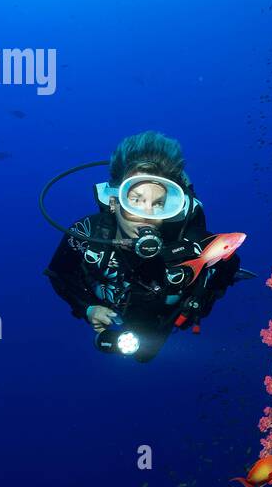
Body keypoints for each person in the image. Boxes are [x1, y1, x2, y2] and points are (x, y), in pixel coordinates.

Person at [43, 131, 246, 362]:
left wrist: (204, 288)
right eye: (136, 199)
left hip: (162, 317)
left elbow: (228, 259)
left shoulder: (186, 240)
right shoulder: (86, 234)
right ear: (114, 200)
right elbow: (60, 275)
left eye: (158, 204)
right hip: (117, 311)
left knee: (145, 354)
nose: (147, 214)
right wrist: (88, 308)